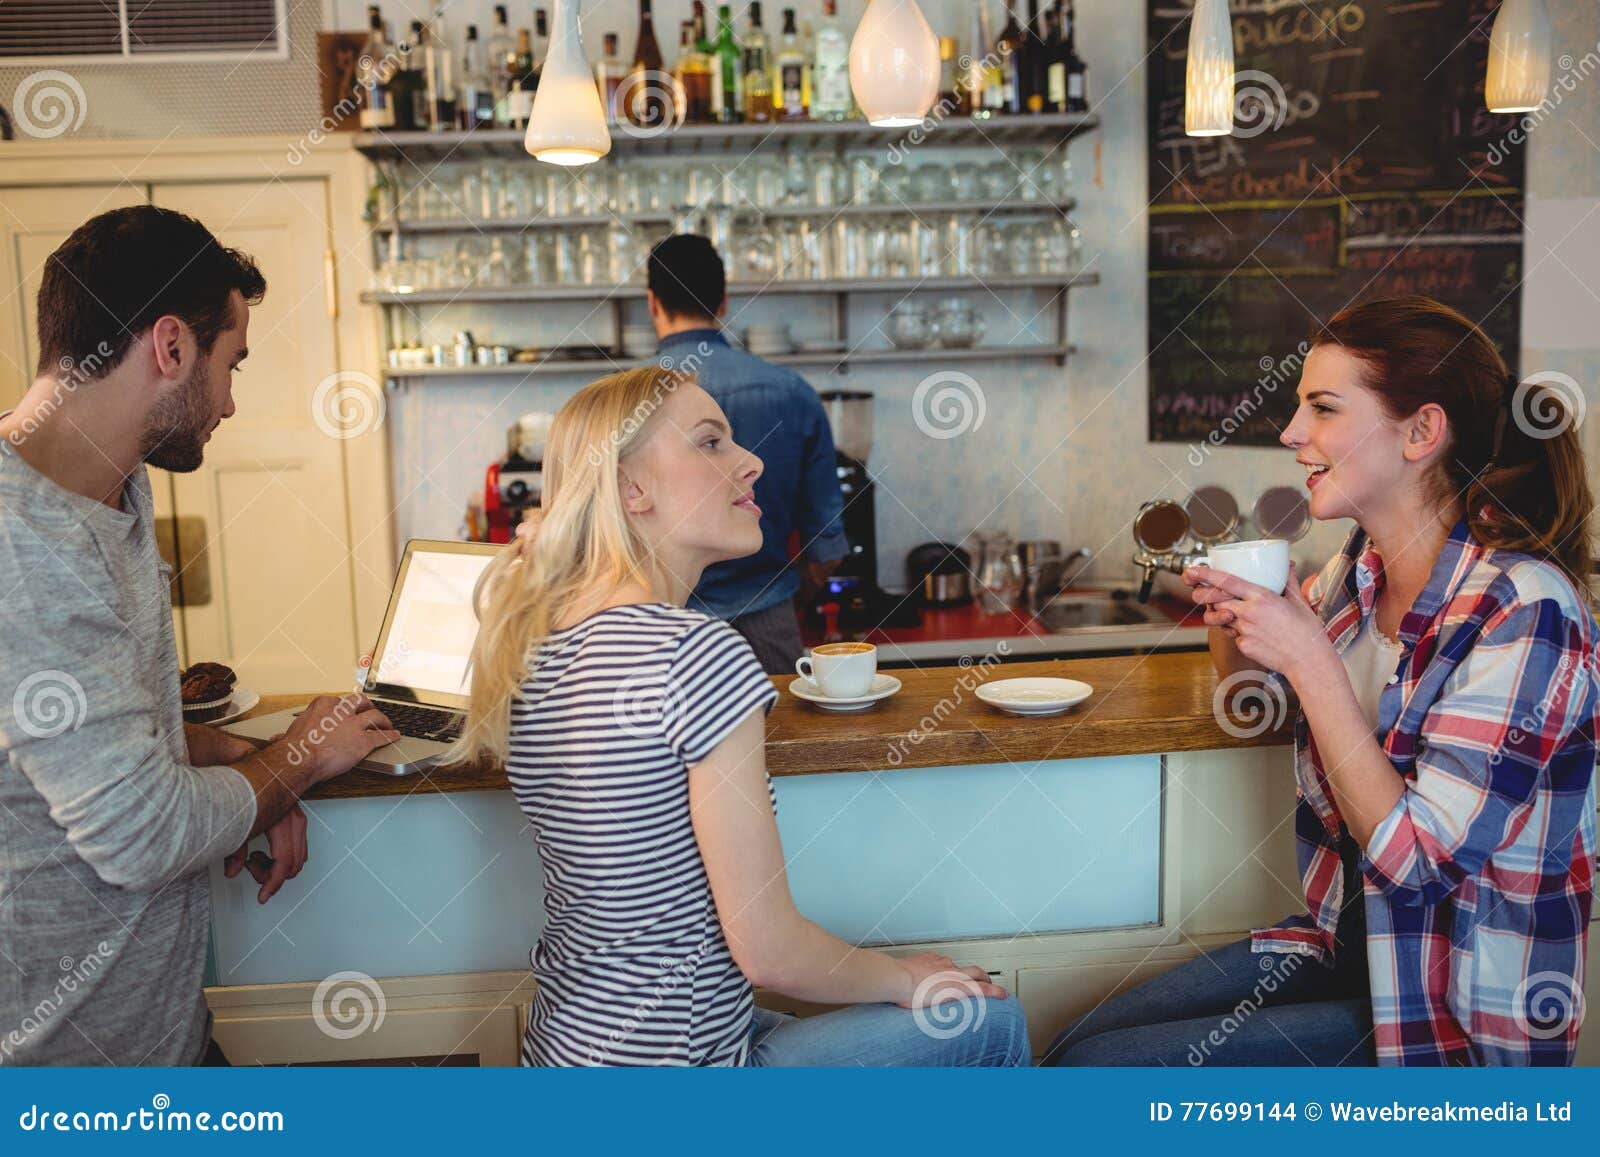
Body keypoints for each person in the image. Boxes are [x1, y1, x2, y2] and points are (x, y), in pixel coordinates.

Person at [1047, 295, 1597, 1067]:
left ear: (1421, 432)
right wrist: (1235, 615)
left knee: (1096, 1071)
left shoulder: (1526, 609)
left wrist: (1309, 656)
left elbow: (1418, 863)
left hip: (1448, 1019)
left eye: (1324, 407)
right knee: (1075, 1042)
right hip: (1348, 943)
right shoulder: (1358, 568)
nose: (1290, 431)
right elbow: (1263, 700)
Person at [451, 367, 1030, 1067]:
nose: (750, 461)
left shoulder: (530, 645)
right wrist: (905, 977)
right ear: (631, 489)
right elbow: (768, 951)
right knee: (989, 1023)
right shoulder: (695, 653)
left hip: (564, 1055)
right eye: (710, 442)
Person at [0, 206, 400, 1065]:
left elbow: (101, 734)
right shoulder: (22, 549)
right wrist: (296, 762)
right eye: (231, 365)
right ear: (172, 347)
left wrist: (244, 765)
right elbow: (141, 832)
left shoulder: (113, 488)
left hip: (162, 1035)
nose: (228, 402)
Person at [645, 233, 846, 674]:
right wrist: (789, 594)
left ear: (652, 303)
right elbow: (827, 545)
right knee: (780, 722)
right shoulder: (792, 392)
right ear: (723, 304)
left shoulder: (621, 406)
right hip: (768, 624)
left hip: (659, 631)